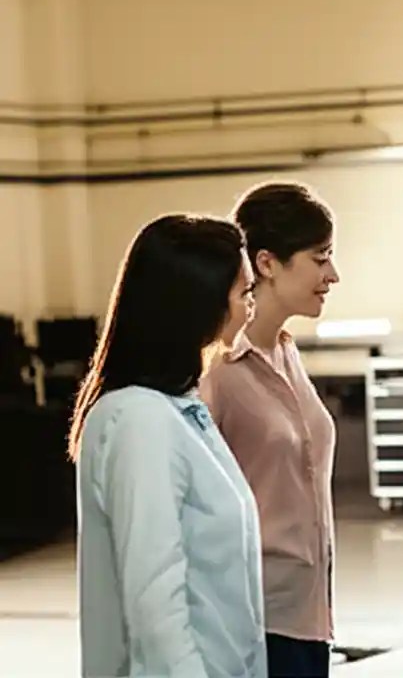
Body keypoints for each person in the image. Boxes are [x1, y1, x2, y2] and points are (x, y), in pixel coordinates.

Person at [70, 214, 265, 677]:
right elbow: (155, 601)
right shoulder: (139, 420)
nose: (251, 307)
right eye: (244, 293)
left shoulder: (176, 406)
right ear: (198, 305)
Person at [200, 180, 341, 678]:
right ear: (266, 263)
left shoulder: (288, 353)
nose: (333, 275)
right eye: (320, 258)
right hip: (250, 619)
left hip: (309, 612)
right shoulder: (215, 371)